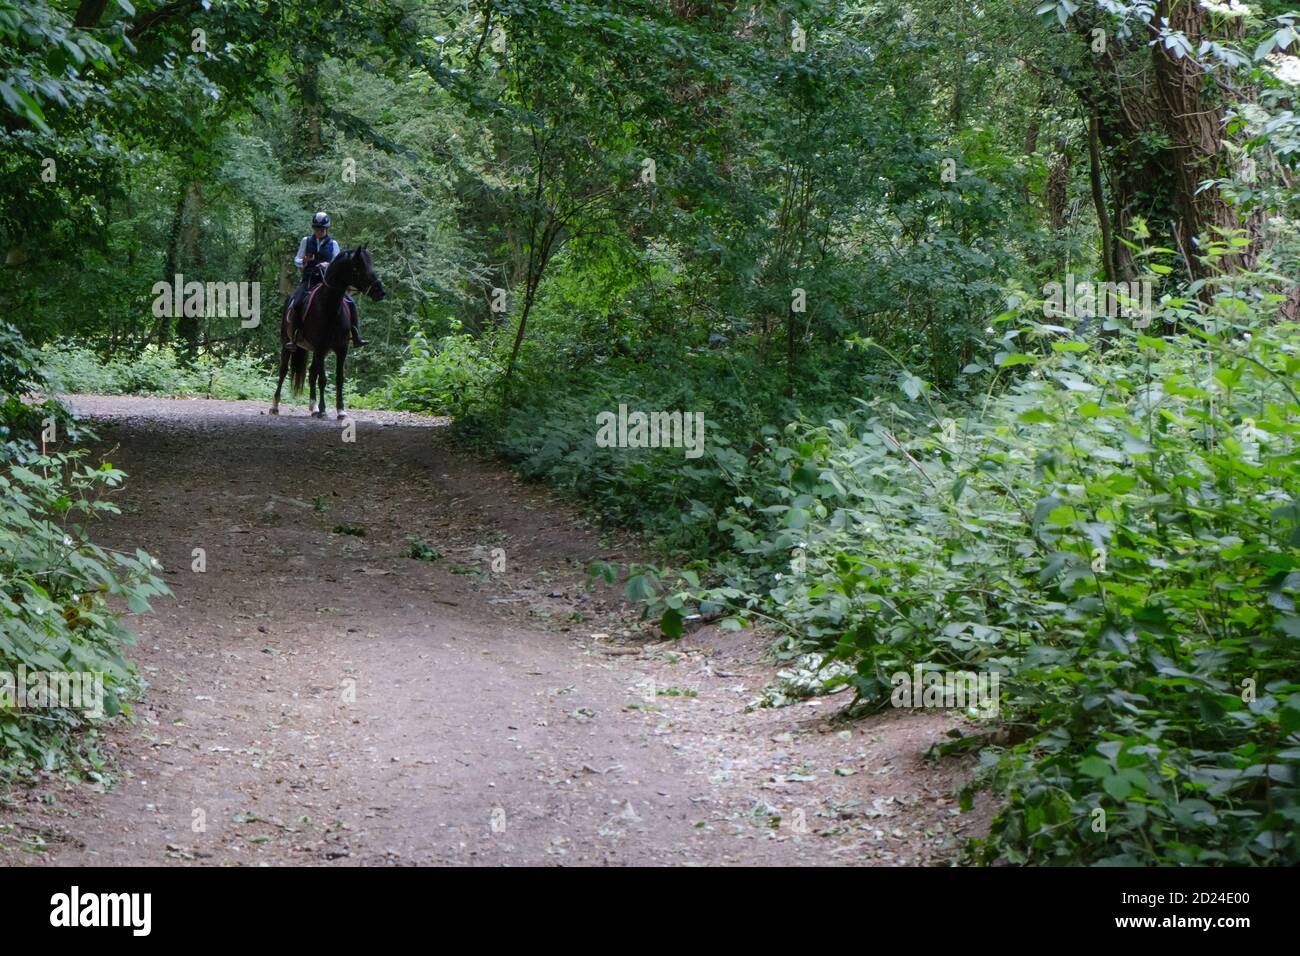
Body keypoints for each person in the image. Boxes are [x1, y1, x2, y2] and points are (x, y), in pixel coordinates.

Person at [286, 211, 367, 348]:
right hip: (309, 281)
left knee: (350, 302)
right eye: (317, 229)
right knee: (297, 302)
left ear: (326, 229)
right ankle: (294, 337)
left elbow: (338, 264)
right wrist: (303, 261)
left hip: (327, 283)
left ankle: (355, 335)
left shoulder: (333, 244)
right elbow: (297, 259)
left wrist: (327, 265)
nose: (319, 232)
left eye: (322, 229)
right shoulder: (306, 241)